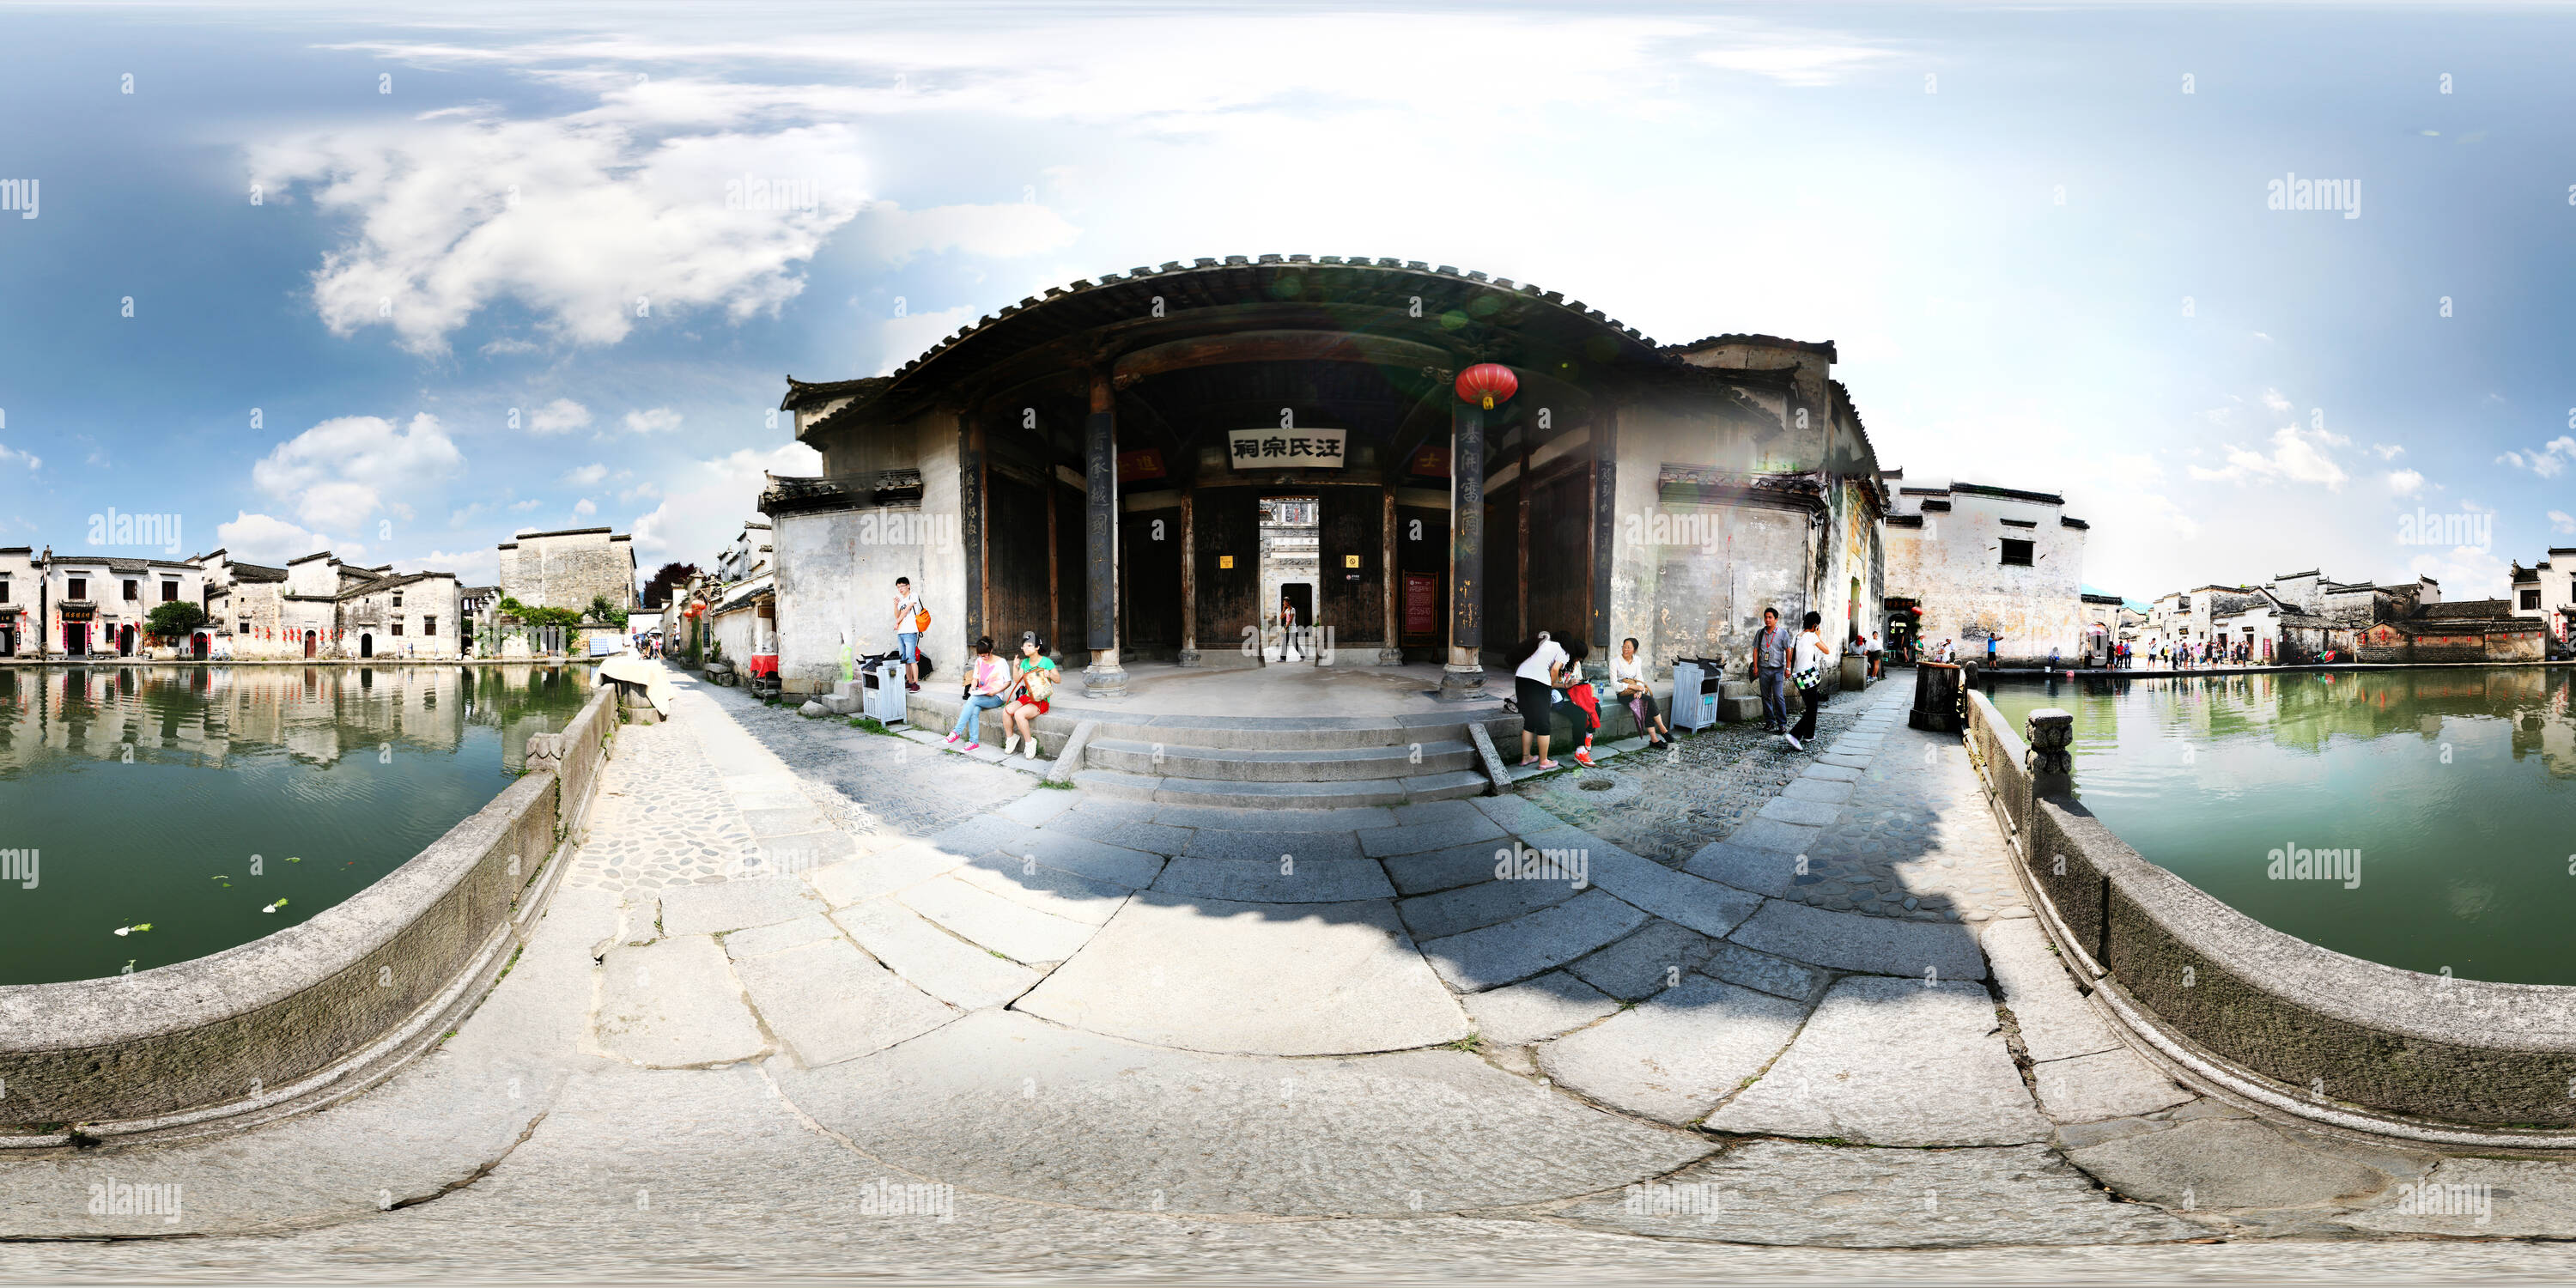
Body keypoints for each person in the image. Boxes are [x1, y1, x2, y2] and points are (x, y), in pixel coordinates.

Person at [1513, 631, 1571, 769]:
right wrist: (1550, 684)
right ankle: (1544, 761)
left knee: (1530, 719)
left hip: (1520, 676)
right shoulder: (1563, 650)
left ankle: (1526, 757)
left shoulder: (1543, 643)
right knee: (1543, 722)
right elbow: (1555, 669)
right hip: (1538, 681)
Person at [998, 631, 1058, 760]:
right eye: (1024, 646)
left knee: (1019, 714)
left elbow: (1058, 679)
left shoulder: (1046, 662)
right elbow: (1017, 680)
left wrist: (1050, 674)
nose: (1026, 648)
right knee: (1006, 711)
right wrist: (1015, 666)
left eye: (1029, 645)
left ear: (1037, 647)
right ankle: (1011, 738)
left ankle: (1030, 742)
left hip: (1040, 699)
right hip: (1027, 697)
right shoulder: (1025, 663)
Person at [945, 635, 1012, 750]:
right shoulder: (979, 661)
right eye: (981, 655)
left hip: (995, 696)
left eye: (986, 655)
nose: (984, 657)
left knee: (972, 700)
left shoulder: (1001, 662)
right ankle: (974, 742)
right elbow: (975, 678)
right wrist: (973, 687)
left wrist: (996, 691)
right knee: (974, 710)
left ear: (991, 650)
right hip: (981, 694)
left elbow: (1008, 682)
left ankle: (956, 732)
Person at [1610, 636, 1670, 747]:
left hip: (1636, 692)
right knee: (1649, 700)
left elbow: (1640, 678)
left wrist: (1640, 689)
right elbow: (1614, 685)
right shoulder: (1614, 662)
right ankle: (1662, 729)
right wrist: (1633, 687)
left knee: (1645, 703)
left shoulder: (1637, 660)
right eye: (1624, 647)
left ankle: (1654, 739)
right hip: (1623, 694)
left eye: (1628, 647)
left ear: (1635, 650)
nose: (1625, 650)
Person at [1786, 610, 1832, 750]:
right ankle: (1794, 734)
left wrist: (1788, 669)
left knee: (1811, 705)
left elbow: (1790, 656)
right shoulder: (1812, 636)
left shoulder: (1796, 636)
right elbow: (1827, 650)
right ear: (1815, 625)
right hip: (1808, 676)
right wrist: (1819, 636)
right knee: (1812, 709)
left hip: (1798, 676)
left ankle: (1809, 735)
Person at [1755, 607, 1792, 733]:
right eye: (1766, 617)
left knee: (1778, 696)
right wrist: (1755, 666)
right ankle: (1770, 722)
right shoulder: (1760, 633)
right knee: (1765, 696)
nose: (1767, 620)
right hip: (1763, 669)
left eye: (1770, 617)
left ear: (1776, 619)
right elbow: (1755, 650)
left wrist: (1788, 668)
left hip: (1777, 670)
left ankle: (1782, 724)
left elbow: (1788, 650)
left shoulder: (1783, 634)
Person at [893, 577, 925, 693]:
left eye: (902, 586)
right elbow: (898, 615)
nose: (900, 589)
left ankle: (916, 683)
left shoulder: (913, 596)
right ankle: (909, 681)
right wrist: (896, 605)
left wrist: (897, 623)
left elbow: (906, 611)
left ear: (908, 586)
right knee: (905, 659)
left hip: (910, 631)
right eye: (898, 587)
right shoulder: (901, 600)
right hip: (901, 632)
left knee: (911, 658)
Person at [1277, 595, 1301, 663]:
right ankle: (1283, 658)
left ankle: (1302, 655)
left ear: (1288, 602)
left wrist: (1285, 628)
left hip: (1292, 629)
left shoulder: (1293, 609)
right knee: (1284, 643)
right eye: (1283, 602)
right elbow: (1281, 617)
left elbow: (1290, 620)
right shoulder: (1287, 610)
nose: (1283, 603)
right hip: (1288, 629)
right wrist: (1283, 609)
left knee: (1295, 644)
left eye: (1284, 602)